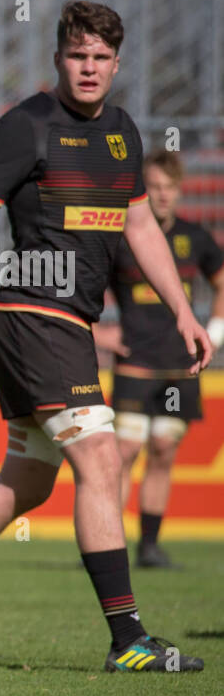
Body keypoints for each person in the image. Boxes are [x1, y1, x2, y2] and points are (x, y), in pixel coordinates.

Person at [0, 1, 212, 673]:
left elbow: (140, 229)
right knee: (102, 461)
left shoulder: (122, 132)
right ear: (59, 58)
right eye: (78, 55)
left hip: (69, 325)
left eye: (101, 58)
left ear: (116, 63)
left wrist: (184, 312)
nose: (89, 68)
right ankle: (129, 638)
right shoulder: (26, 125)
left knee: (25, 481)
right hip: (33, 316)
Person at [96, 151, 224, 568]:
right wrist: (99, 332)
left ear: (180, 190)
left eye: (170, 188)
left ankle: (149, 546)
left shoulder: (195, 238)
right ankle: (106, 542)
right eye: (154, 188)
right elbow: (82, 285)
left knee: (164, 448)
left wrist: (216, 334)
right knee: (126, 449)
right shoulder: (121, 238)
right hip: (135, 362)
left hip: (179, 365)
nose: (162, 196)